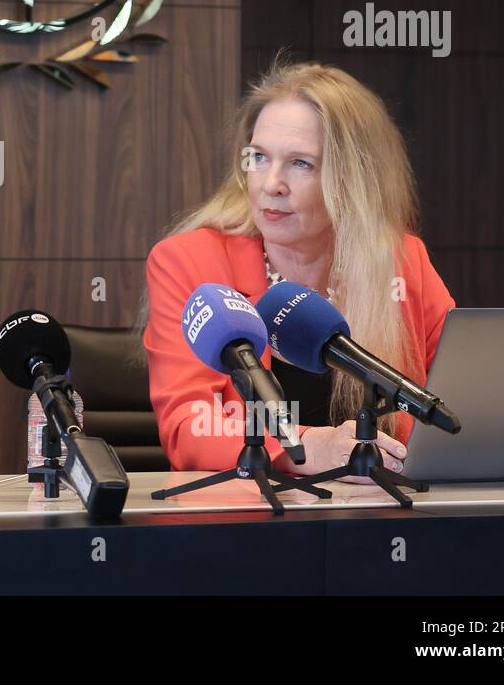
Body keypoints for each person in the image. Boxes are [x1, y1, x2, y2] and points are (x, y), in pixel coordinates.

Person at [143, 58, 455, 482]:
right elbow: (188, 427)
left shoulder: (401, 261)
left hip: (385, 508)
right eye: (258, 157)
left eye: (300, 163)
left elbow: (458, 399)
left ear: (353, 178)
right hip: (256, 519)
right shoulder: (190, 262)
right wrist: (307, 446)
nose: (271, 183)